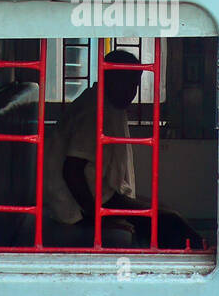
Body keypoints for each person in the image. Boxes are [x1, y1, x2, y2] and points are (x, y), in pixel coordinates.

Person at [42, 48, 201, 249]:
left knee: (165, 214)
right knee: (170, 221)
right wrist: (101, 219)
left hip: (99, 196)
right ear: (109, 78)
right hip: (77, 209)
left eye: (133, 85)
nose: (130, 93)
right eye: (125, 83)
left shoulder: (105, 103)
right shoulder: (94, 112)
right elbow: (72, 172)